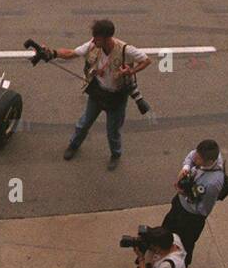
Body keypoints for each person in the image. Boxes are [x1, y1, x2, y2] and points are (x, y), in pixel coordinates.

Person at [45, 19, 151, 169]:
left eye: (98, 38)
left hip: (117, 98)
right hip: (97, 93)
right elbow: (71, 53)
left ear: (107, 38)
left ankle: (116, 154)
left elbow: (146, 60)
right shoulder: (93, 45)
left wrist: (131, 71)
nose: (94, 41)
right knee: (83, 124)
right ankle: (73, 145)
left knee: (112, 132)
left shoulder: (125, 50)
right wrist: (52, 53)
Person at [160, 139, 226, 266]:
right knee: (166, 229)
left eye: (199, 159)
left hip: (190, 217)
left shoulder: (213, 183)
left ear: (210, 162)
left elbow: (203, 209)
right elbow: (190, 157)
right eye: (196, 155)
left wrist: (186, 194)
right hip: (179, 204)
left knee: (186, 243)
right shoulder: (205, 154)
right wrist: (186, 168)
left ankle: (181, 265)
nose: (195, 159)